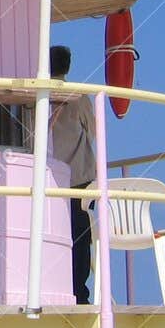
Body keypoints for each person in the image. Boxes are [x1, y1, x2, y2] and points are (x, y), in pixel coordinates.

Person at [47, 45, 95, 304]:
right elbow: (95, 132)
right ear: (68, 66)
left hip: (48, 177)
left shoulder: (37, 95)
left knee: (51, 234)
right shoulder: (79, 97)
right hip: (78, 178)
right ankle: (79, 293)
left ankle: (54, 287)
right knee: (80, 237)